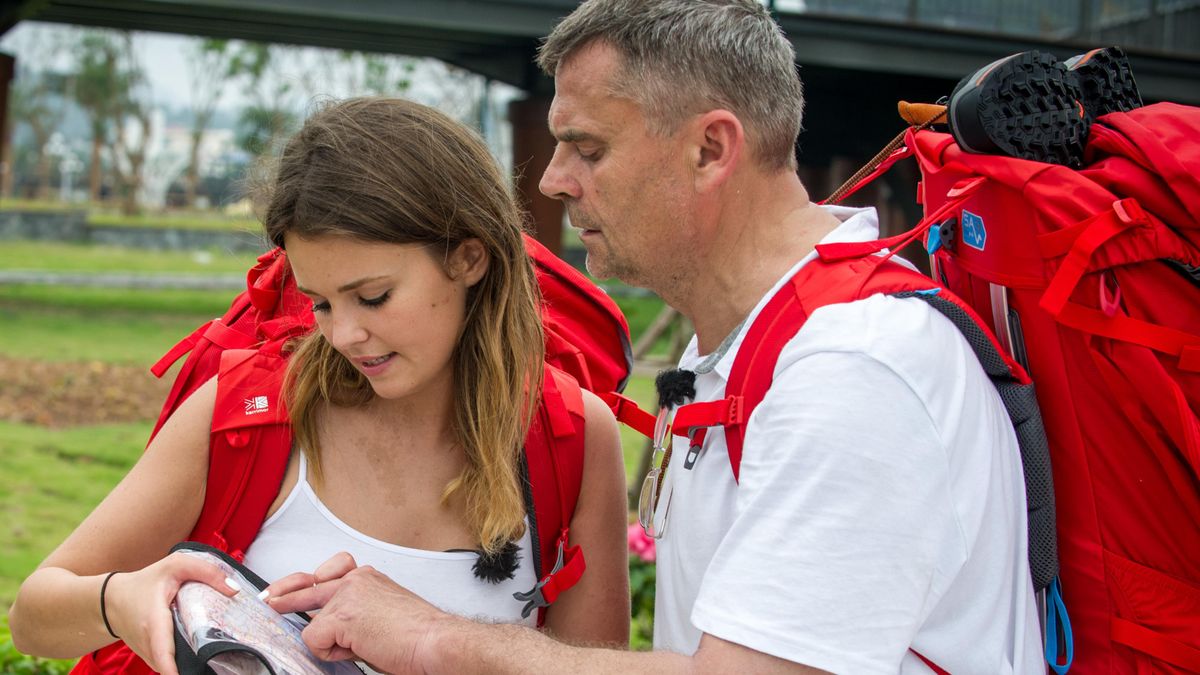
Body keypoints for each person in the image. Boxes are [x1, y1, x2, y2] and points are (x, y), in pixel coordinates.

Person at [266, 1, 1045, 673]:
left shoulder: (852, 369)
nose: (554, 180)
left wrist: (431, 636)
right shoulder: (751, 346)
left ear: (711, 149)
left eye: (589, 148)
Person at [7, 97, 630, 674]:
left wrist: (435, 636)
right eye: (321, 303)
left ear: (469, 258)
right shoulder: (247, 410)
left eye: (373, 297)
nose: (344, 336)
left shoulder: (573, 437)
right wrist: (121, 598)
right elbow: (35, 615)